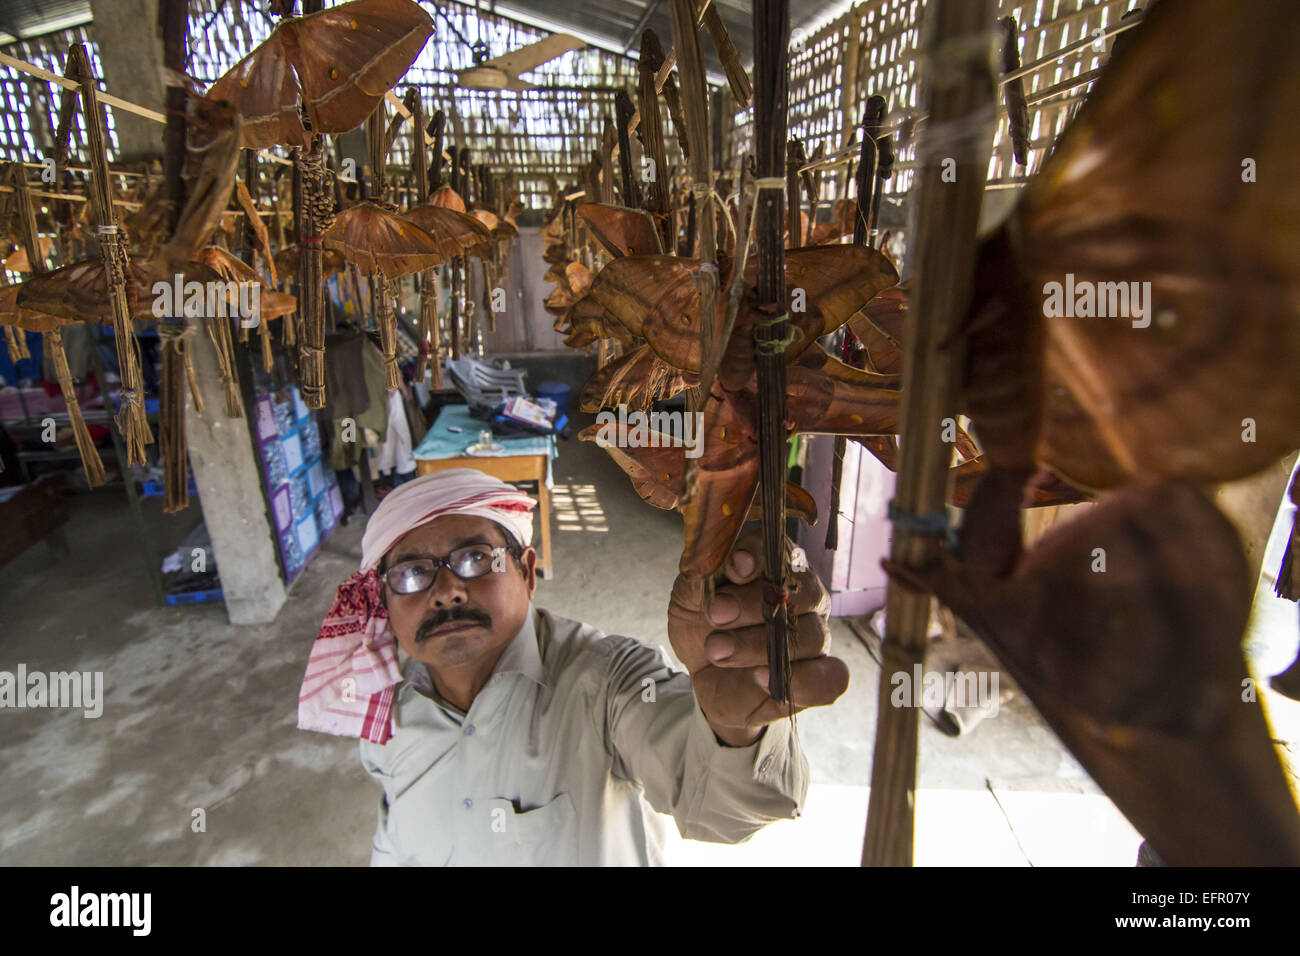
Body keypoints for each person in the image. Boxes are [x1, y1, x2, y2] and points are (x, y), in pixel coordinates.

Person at [298, 468, 849, 865]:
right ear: (383, 602)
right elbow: (396, 833)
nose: (446, 591)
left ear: (528, 573)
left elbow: (721, 811)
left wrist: (734, 728)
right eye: (413, 573)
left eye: (474, 559)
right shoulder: (381, 705)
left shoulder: (607, 681)